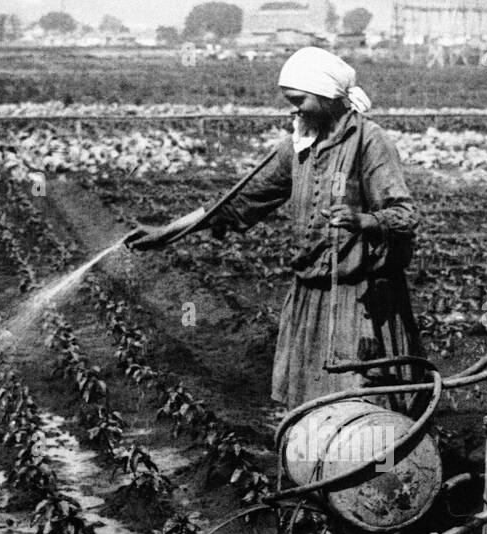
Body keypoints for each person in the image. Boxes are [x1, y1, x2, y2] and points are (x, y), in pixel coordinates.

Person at [124, 47, 421, 411]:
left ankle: (380, 464)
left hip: (359, 298)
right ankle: (318, 463)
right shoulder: (298, 147)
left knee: (362, 405)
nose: (292, 109)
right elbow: (236, 201)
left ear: (328, 96)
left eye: (299, 100)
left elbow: (404, 215)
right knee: (314, 409)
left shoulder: (369, 141)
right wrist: (168, 232)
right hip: (311, 295)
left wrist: (364, 221)